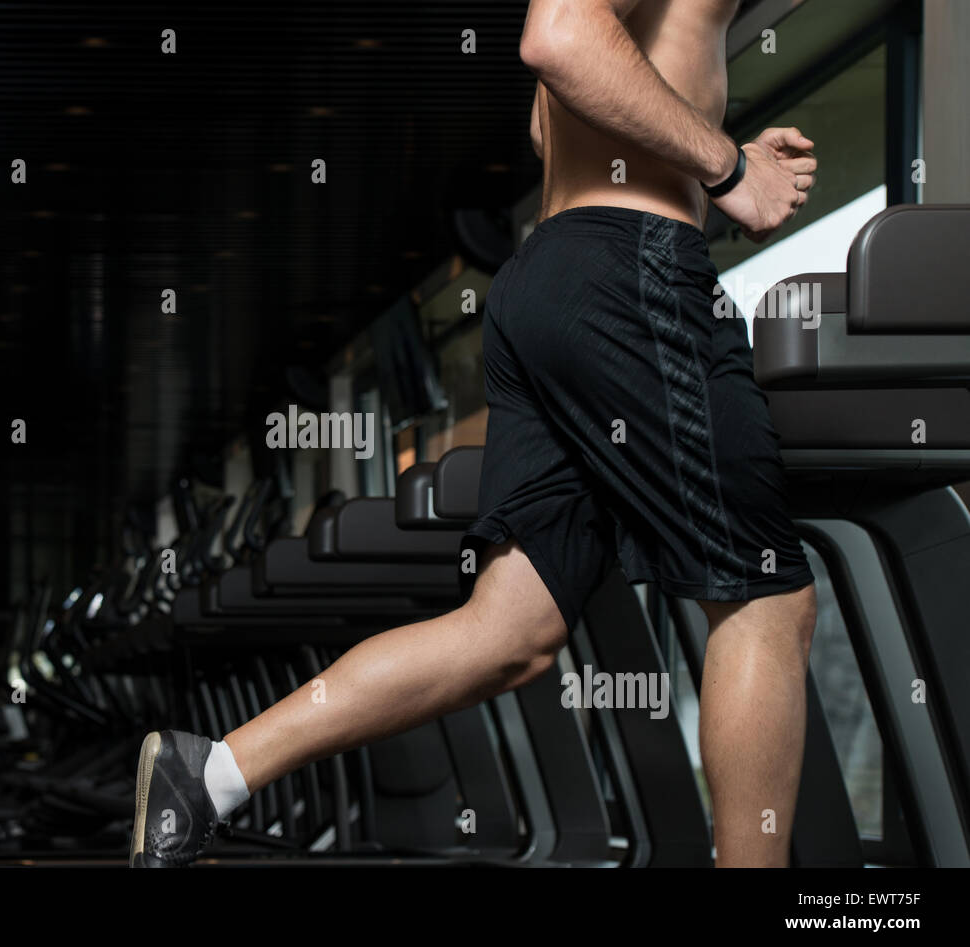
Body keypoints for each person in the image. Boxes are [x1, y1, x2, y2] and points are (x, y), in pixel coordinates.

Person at [131, 0, 819, 868]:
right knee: (763, 596)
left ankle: (214, 774)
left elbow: (548, 119)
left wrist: (714, 155)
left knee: (509, 632)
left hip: (553, 274)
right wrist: (727, 170)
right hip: (629, 269)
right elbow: (561, 36)